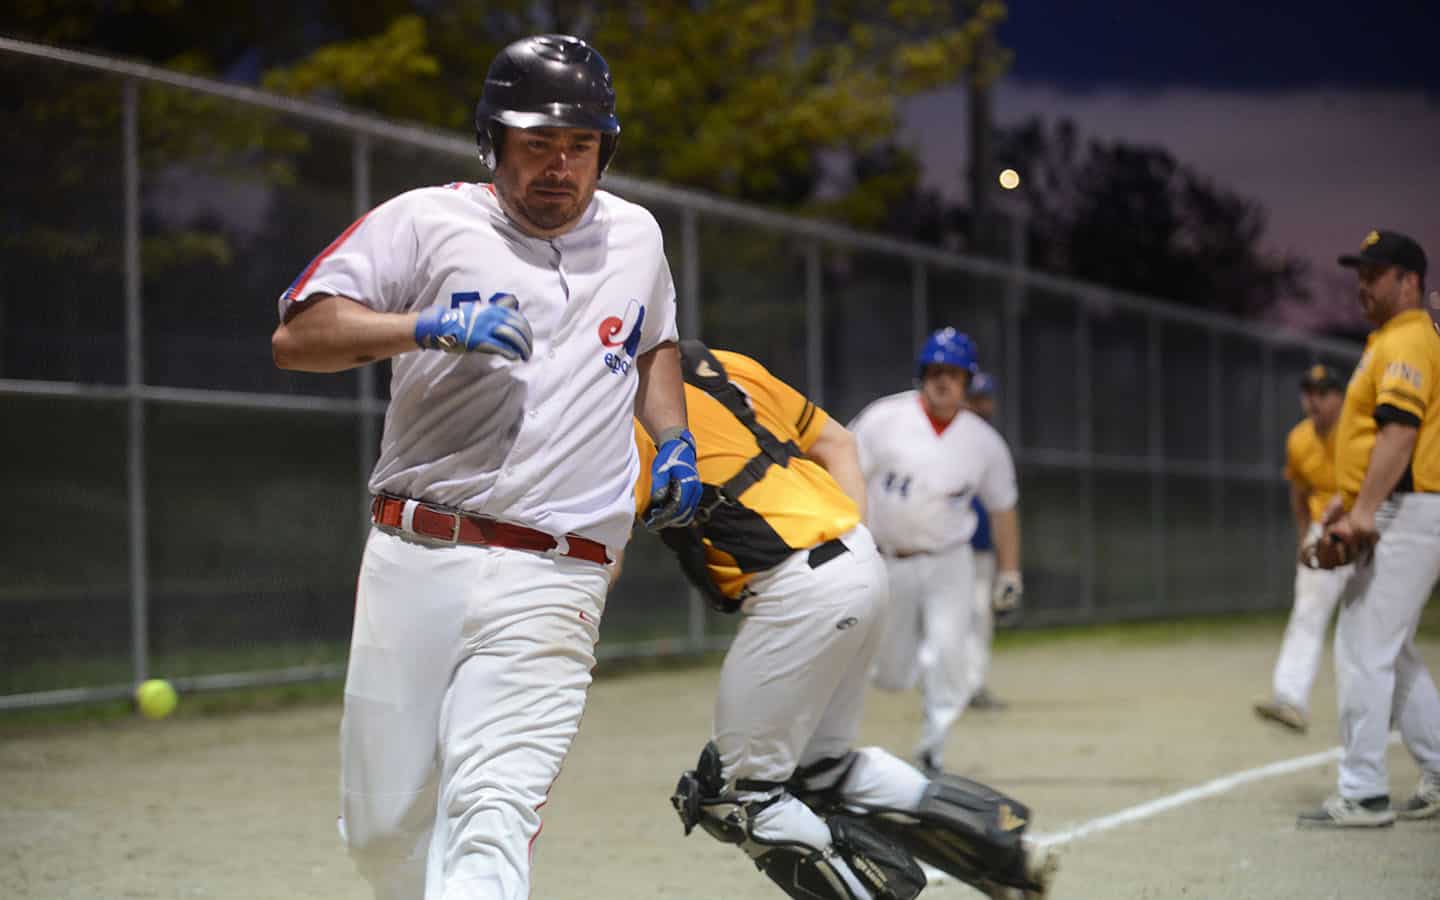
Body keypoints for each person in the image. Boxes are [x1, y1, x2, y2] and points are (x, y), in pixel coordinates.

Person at [269, 34, 703, 898]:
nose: (559, 166)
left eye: (580, 146)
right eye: (537, 143)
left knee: (491, 804)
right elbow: (296, 337)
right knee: (382, 831)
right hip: (415, 556)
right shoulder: (427, 220)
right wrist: (423, 325)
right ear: (492, 142)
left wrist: (676, 436)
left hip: (558, 570)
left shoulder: (637, 235)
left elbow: (655, 341)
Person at [644, 341, 1055, 900]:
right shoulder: (713, 362)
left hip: (798, 587)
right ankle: (1004, 853)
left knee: (737, 799)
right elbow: (837, 441)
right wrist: (850, 546)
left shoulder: (611, 402)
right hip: (856, 557)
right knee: (821, 770)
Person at [1297, 229, 1440, 828]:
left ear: (1410, 281)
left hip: (1406, 508)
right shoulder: (1391, 339)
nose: (1363, 282)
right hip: (1398, 505)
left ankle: (1364, 792)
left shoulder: (1407, 339)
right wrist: (1348, 504)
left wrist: (1362, 511)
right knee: (1394, 652)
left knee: (1362, 646)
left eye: (1376, 272)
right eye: (1362, 270)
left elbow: (1400, 431)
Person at [849, 329, 1023, 776]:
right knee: (890, 671)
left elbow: (1003, 508)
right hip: (888, 558)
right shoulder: (884, 418)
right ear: (922, 374)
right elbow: (844, 473)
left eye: (953, 373)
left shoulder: (983, 442)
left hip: (950, 560)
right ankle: (912, 687)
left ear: (968, 382)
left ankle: (932, 747)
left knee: (950, 653)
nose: (943, 381)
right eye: (935, 371)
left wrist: (1009, 573)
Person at [1252, 364, 1351, 733]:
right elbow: (1298, 491)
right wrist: (1303, 536)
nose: (1315, 400)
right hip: (1320, 531)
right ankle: (1289, 698)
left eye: (1324, 392)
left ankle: (1388, 707)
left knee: (1370, 631)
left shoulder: (1359, 431)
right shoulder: (1298, 438)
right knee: (1307, 614)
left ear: (1341, 397)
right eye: (1309, 392)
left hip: (1362, 532)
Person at [964, 372, 1007, 712]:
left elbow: (1003, 507)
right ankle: (948, 684)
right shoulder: (952, 441)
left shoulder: (991, 446)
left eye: (985, 399)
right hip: (947, 549)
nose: (982, 406)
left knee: (979, 616)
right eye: (975, 398)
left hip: (981, 551)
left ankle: (973, 685)